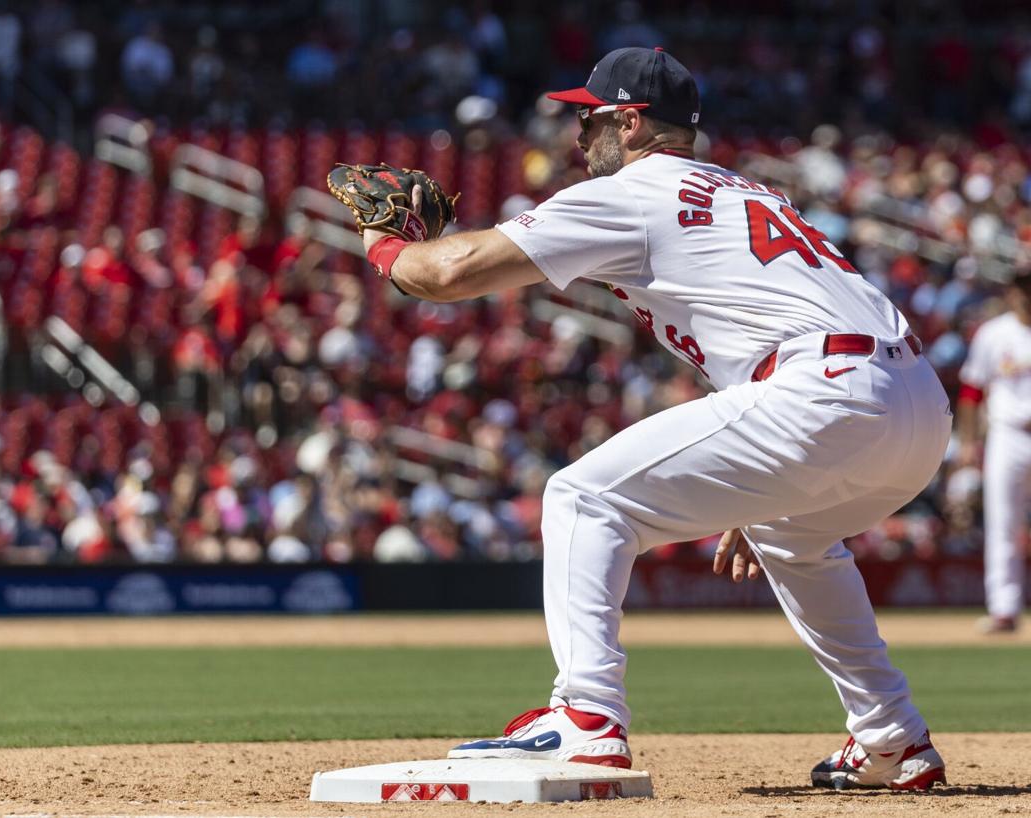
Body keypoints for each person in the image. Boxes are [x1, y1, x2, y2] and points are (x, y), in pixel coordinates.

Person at [359, 47, 950, 791]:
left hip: (821, 389)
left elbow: (443, 273)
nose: (578, 138)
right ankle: (891, 736)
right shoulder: (745, 189)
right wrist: (763, 486)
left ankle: (586, 717)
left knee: (583, 496)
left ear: (630, 123)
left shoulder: (633, 192)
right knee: (792, 537)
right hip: (915, 400)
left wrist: (383, 245)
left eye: (588, 119)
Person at [955, 269, 1031, 635]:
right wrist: (969, 441)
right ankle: (1004, 608)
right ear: (1013, 291)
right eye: (1023, 286)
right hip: (1008, 433)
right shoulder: (993, 333)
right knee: (1002, 521)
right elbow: (972, 391)